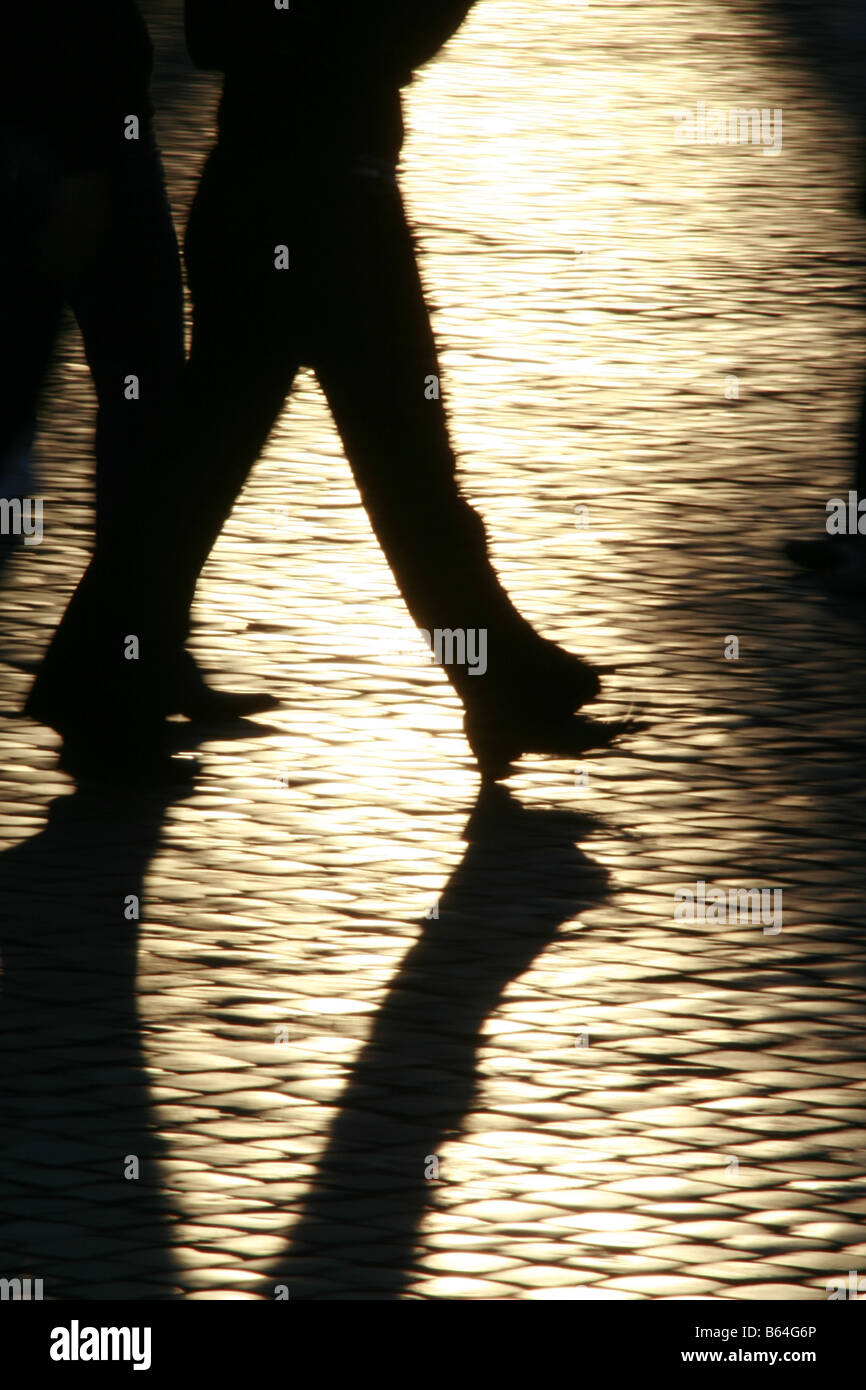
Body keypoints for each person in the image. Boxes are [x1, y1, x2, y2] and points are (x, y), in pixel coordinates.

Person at [147, 0, 612, 782]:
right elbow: (241, 36)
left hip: (289, 198)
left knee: (218, 468)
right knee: (395, 466)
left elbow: (223, 36)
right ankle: (504, 681)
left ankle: (106, 669)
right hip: (317, 210)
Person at [3, 2, 273, 781]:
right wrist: (90, 155)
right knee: (146, 413)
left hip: (61, 128)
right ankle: (124, 684)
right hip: (85, 138)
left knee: (110, 409)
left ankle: (143, 659)